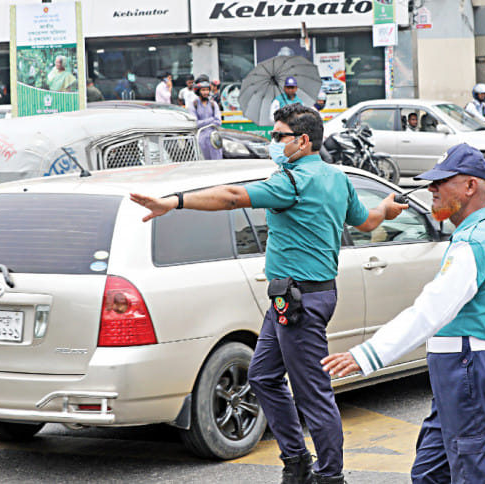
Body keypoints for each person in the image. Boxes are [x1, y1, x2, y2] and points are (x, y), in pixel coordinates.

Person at [130, 104, 408, 484]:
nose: (272, 142)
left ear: (304, 140)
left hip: (301, 302)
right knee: (262, 376)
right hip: (294, 299)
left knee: (313, 392)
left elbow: (230, 197)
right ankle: (296, 461)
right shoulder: (337, 179)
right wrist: (386, 207)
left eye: (279, 137)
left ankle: (329, 476)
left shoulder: (292, 182)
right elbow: (369, 221)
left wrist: (173, 202)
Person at [322, 143, 485, 484]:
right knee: (430, 473)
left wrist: (368, 355)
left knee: (476, 475)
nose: (431, 190)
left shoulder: (475, 242)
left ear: (470, 186)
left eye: (441, 182)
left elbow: (431, 310)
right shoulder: (477, 236)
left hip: (468, 369)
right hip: (459, 372)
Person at [189, 80, 223, 160]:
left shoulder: (213, 104)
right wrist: (211, 120)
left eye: (207, 90)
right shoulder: (193, 105)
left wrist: (204, 122)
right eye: (203, 90)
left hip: (214, 137)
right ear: (198, 91)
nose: (206, 92)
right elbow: (195, 123)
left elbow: (218, 121)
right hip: (200, 138)